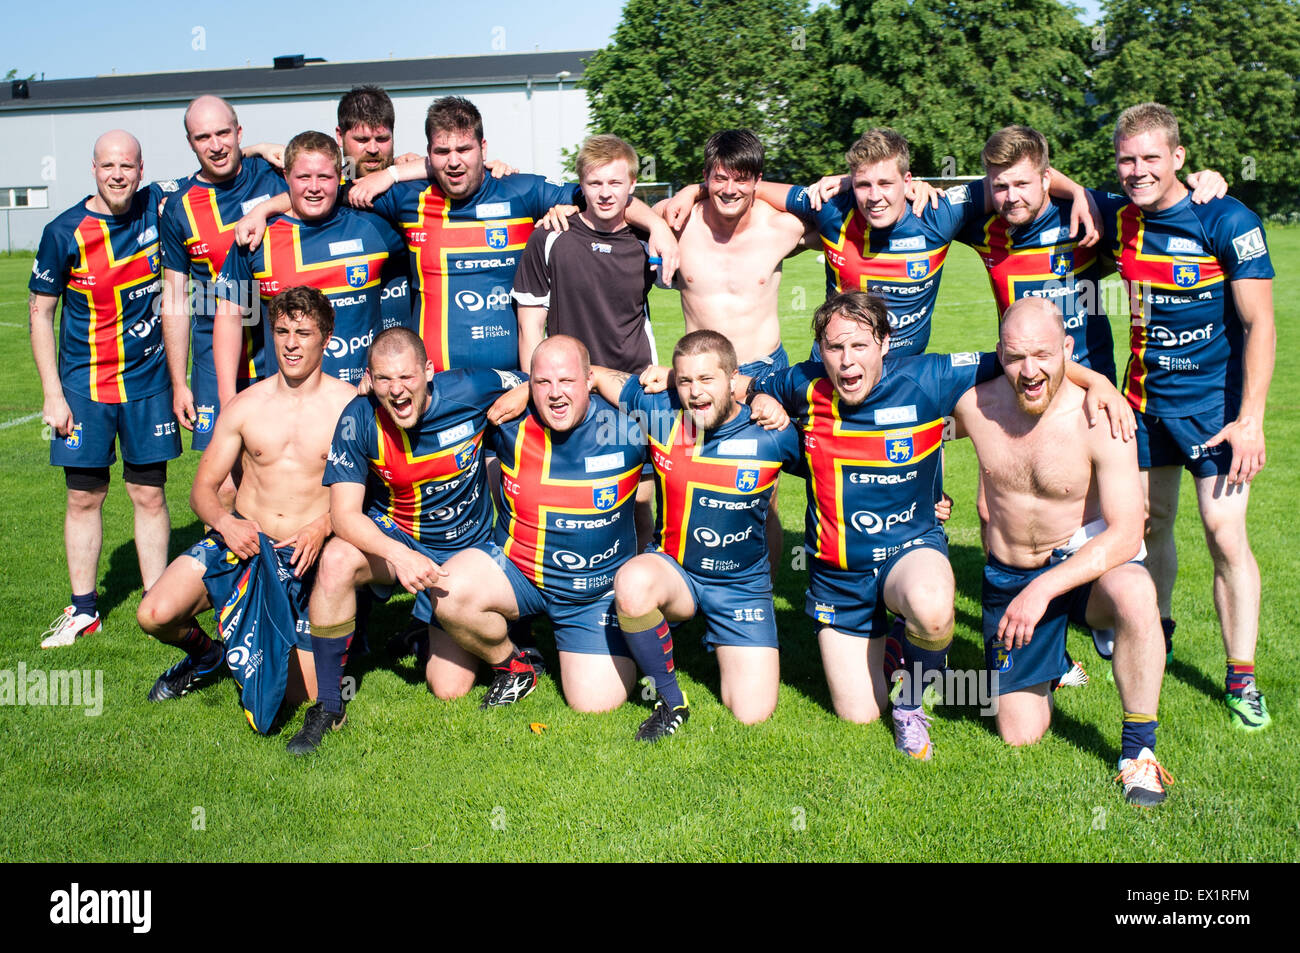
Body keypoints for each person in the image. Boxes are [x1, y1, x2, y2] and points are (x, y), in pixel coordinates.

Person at [750, 290, 1127, 759]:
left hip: (909, 553)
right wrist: (763, 397)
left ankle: (911, 704)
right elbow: (740, 385)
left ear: (885, 343)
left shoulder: (928, 378)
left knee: (931, 607)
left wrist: (1099, 383)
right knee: (859, 714)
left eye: (860, 345)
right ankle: (895, 646)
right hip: (836, 573)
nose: (847, 361)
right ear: (820, 351)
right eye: (835, 347)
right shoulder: (803, 383)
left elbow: (1023, 359)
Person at [950, 299, 1171, 804]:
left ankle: (1139, 753)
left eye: (1044, 356)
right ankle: (1051, 665)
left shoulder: (1101, 416)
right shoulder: (974, 404)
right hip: (1011, 576)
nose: (1030, 372)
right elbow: (908, 428)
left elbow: (1128, 533)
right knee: (1019, 734)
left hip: (1080, 569)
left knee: (1138, 592)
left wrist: (1044, 590)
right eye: (1014, 357)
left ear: (1068, 351)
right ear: (999, 354)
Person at [1106, 102, 1276, 731]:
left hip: (1217, 412)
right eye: (1127, 159)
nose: (1138, 170)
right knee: (1150, 526)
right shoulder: (1119, 215)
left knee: (1223, 532)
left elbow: (1261, 323)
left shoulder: (1227, 218)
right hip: (1145, 407)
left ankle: (1241, 675)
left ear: (1178, 157)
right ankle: (1160, 632)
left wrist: (1251, 421)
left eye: (1152, 157)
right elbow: (1044, 182)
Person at [299, 327, 524, 753]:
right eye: (384, 379)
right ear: (369, 379)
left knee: (450, 688)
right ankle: (329, 704)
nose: (397, 391)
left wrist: (527, 389)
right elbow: (343, 515)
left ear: (429, 371)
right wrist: (398, 554)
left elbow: (535, 379)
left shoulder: (471, 387)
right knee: (336, 561)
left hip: (466, 551)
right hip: (398, 536)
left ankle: (437, 633)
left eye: (407, 378)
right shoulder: (358, 416)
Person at [137, 287, 356, 720]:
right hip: (244, 543)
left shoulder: (350, 407)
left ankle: (336, 625)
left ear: (326, 338)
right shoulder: (244, 405)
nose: (291, 343)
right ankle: (207, 656)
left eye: (304, 333)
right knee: (154, 613)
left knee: (299, 694)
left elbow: (369, 498)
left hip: (303, 554)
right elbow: (201, 490)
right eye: (282, 331)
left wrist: (323, 525)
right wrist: (226, 522)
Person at [336, 95, 677, 373]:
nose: (454, 162)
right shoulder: (407, 197)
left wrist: (657, 224)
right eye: (442, 152)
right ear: (429, 156)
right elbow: (315, 190)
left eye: (464, 150)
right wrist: (393, 173)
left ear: (483, 148)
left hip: (513, 384)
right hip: (438, 389)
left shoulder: (520, 191)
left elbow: (603, 191)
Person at [590, 330, 802, 738]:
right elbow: (596, 374)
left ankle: (717, 635)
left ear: (733, 379)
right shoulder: (658, 410)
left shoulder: (773, 432)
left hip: (741, 586)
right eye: (685, 381)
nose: (695, 393)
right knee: (632, 585)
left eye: (707, 380)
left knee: (752, 713)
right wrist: (525, 388)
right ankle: (670, 702)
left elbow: (836, 463)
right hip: (677, 571)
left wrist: (931, 495)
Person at [434, 335, 647, 714]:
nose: (555, 394)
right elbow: (435, 403)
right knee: (448, 597)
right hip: (520, 573)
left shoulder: (628, 426)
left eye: (566, 381)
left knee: (595, 704)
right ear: (528, 384)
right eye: (543, 382)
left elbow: (692, 415)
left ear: (589, 380)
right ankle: (515, 662)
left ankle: (606, 635)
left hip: (593, 592)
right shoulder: (507, 420)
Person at [30, 130, 182, 648]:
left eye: (128, 166)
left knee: (148, 493)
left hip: (148, 385)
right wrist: (52, 393)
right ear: (93, 168)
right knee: (83, 497)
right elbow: (40, 313)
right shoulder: (63, 231)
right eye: (108, 166)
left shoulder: (158, 205)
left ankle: (157, 600)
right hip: (85, 388)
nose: (118, 175)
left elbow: (212, 167)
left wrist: (260, 152)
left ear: (142, 170)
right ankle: (84, 610)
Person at [513, 133, 659, 548]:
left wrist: (661, 226)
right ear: (581, 185)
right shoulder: (550, 236)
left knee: (639, 500)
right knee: (573, 498)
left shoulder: (646, 241)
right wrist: (534, 389)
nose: (605, 193)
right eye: (595, 184)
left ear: (632, 185)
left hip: (631, 384)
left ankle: (638, 590)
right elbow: (530, 327)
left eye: (615, 183)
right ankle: (572, 587)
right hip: (569, 389)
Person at [214, 131, 407, 393]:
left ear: (340, 175)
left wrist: (399, 170)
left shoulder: (372, 227)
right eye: (303, 177)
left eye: (325, 177)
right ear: (286, 178)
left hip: (364, 402)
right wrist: (227, 400)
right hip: (288, 409)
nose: (314, 187)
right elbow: (229, 316)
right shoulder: (256, 237)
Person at [161, 95, 289, 461]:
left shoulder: (274, 174)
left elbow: (325, 185)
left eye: (223, 133)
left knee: (280, 467)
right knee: (224, 480)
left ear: (239, 132)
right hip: (211, 356)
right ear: (190, 143)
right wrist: (179, 382)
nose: (216, 146)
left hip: (278, 351)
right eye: (203, 138)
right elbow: (173, 299)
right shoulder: (178, 206)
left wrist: (267, 205)